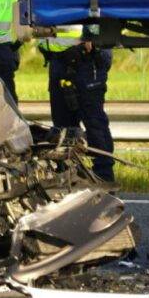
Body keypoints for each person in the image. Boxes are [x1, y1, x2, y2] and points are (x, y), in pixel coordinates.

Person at [38, 25, 116, 181]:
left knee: (94, 122)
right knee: (62, 126)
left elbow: (98, 6)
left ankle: (104, 176)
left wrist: (93, 35)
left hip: (86, 56)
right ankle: (68, 176)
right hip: (59, 59)